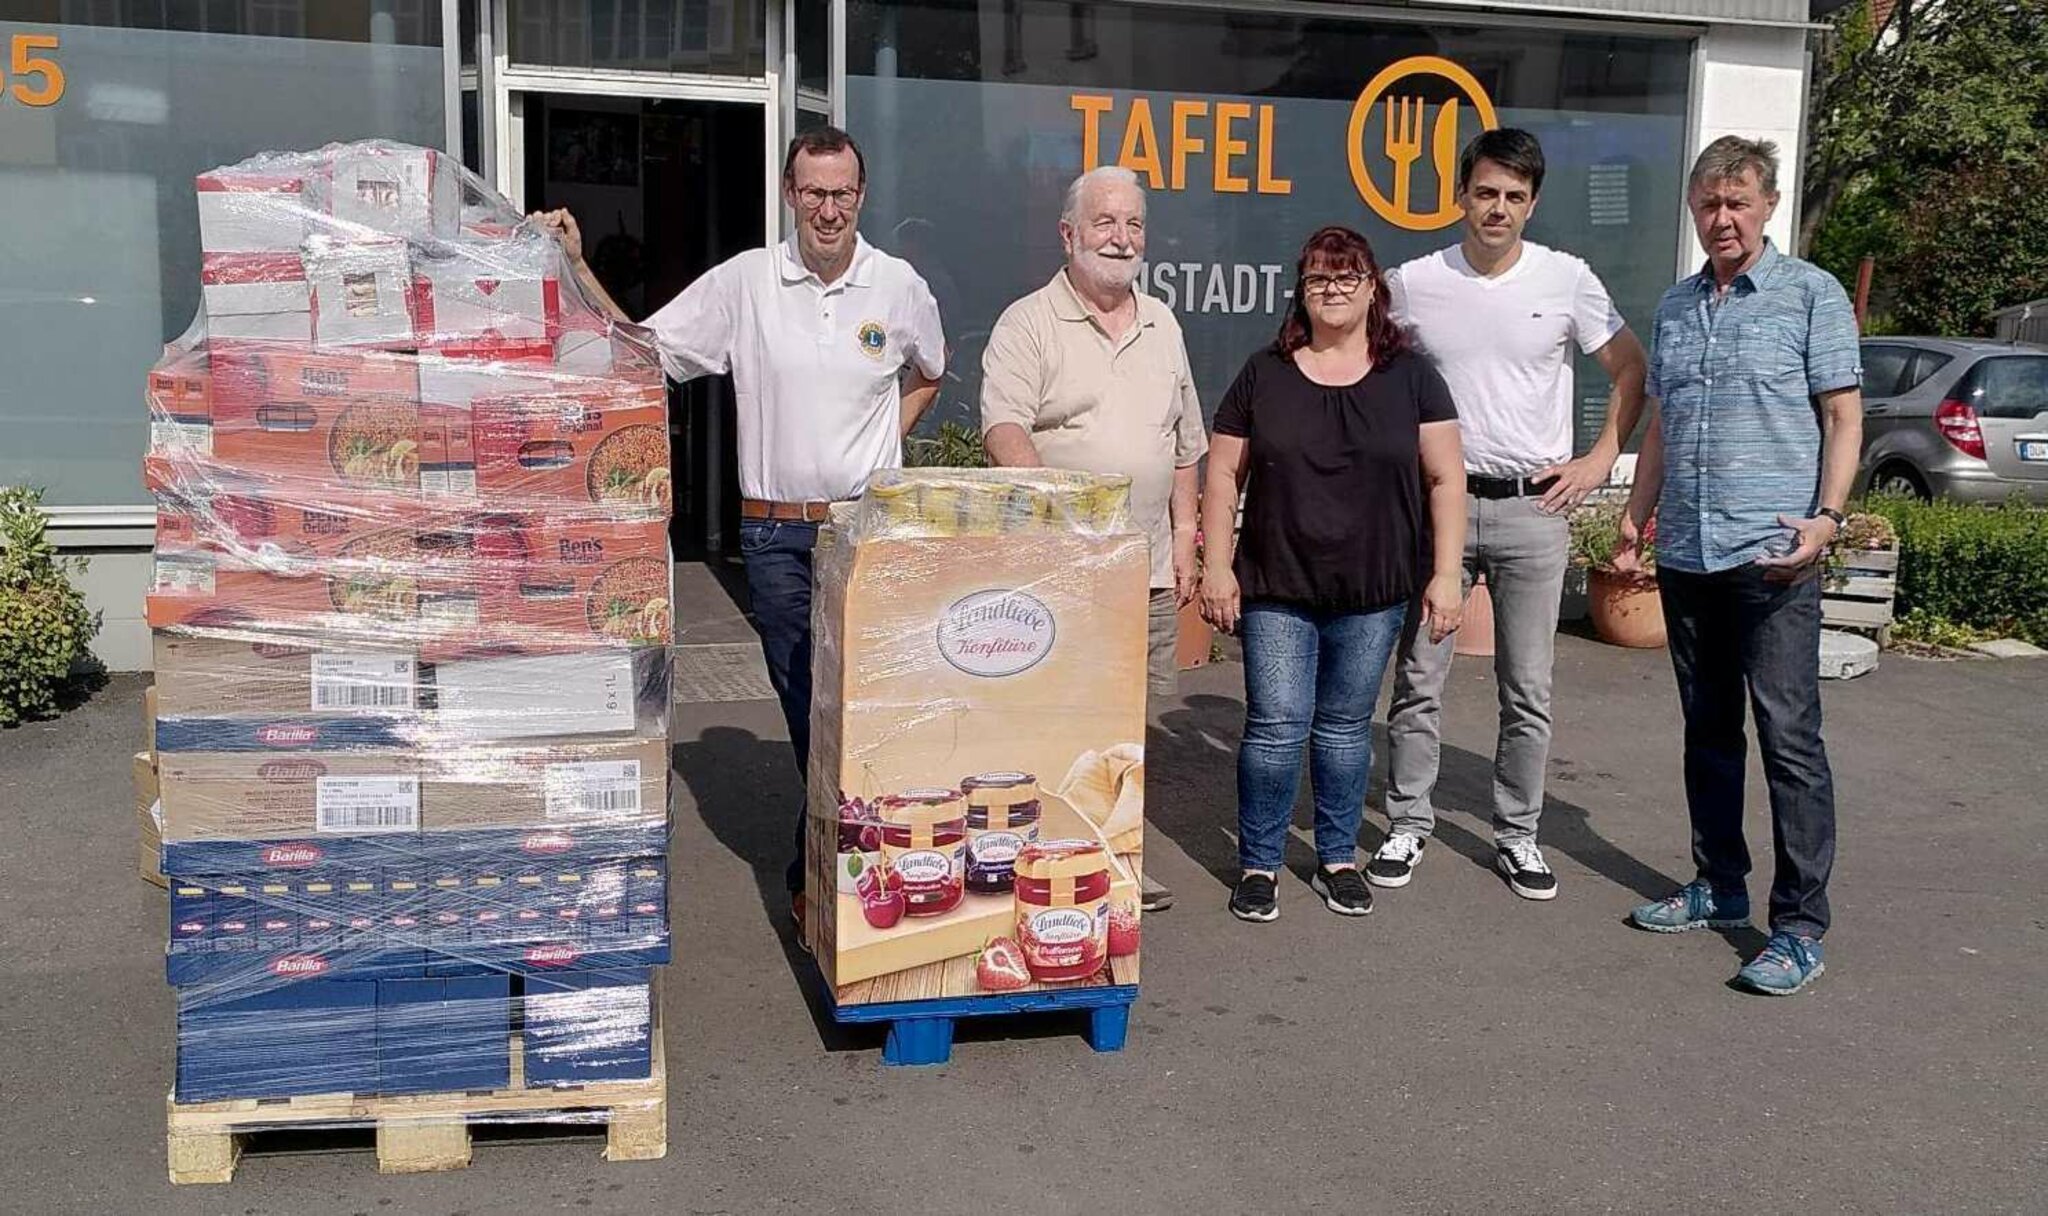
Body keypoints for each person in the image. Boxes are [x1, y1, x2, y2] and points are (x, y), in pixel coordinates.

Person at [535, 127, 947, 930]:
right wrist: (579, 270)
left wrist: (887, 437)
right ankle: (836, 870)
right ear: (790, 195)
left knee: (857, 705)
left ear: (861, 197)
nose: (828, 210)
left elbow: (931, 369)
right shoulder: (748, 284)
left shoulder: (897, 286)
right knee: (810, 706)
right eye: (813, 193)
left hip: (869, 532)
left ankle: (823, 874)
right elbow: (644, 354)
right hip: (778, 541)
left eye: (842, 193)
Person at [1377, 128, 1649, 901]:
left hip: (1535, 508)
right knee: (1420, 677)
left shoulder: (1565, 279)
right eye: (1486, 192)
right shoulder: (1416, 282)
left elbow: (1630, 365)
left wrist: (1599, 460)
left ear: (1533, 205)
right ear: (1461, 192)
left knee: (1527, 685)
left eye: (1514, 198)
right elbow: (1362, 365)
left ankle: (1518, 835)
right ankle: (1407, 823)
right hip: (1443, 510)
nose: (1498, 209)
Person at [1620, 136, 1862, 997]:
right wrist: (1634, 518)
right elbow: (1659, 426)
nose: (1723, 218)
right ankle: (1719, 885)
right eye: (1709, 204)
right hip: (1690, 552)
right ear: (1694, 211)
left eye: (1738, 203)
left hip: (1775, 559)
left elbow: (1842, 414)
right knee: (1710, 732)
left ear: (1766, 208)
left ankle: (1798, 926)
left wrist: (1826, 519)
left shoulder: (1811, 297)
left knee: (1790, 741)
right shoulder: (1677, 307)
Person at [1199, 226, 1467, 924]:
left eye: (1347, 277)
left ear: (1373, 287)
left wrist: (1446, 574)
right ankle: (1258, 863)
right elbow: (1223, 471)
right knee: (1276, 728)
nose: (1333, 290)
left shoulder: (1412, 376)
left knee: (1347, 730)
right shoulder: (1266, 372)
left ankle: (1338, 857)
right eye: (1319, 278)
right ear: (1302, 291)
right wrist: (1217, 565)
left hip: (1373, 589)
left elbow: (1445, 478)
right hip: (1277, 584)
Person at [979, 164, 1209, 914]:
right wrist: (1063, 513)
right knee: (1058, 716)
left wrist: (1185, 536)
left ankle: (1116, 860)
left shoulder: (1163, 322)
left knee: (1126, 725)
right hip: (1062, 567)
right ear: (1069, 233)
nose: (1121, 237)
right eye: (1105, 222)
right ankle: (1049, 858)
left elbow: (1183, 445)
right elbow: (1003, 428)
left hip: (1143, 569)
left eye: (1134, 223)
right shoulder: (1028, 322)